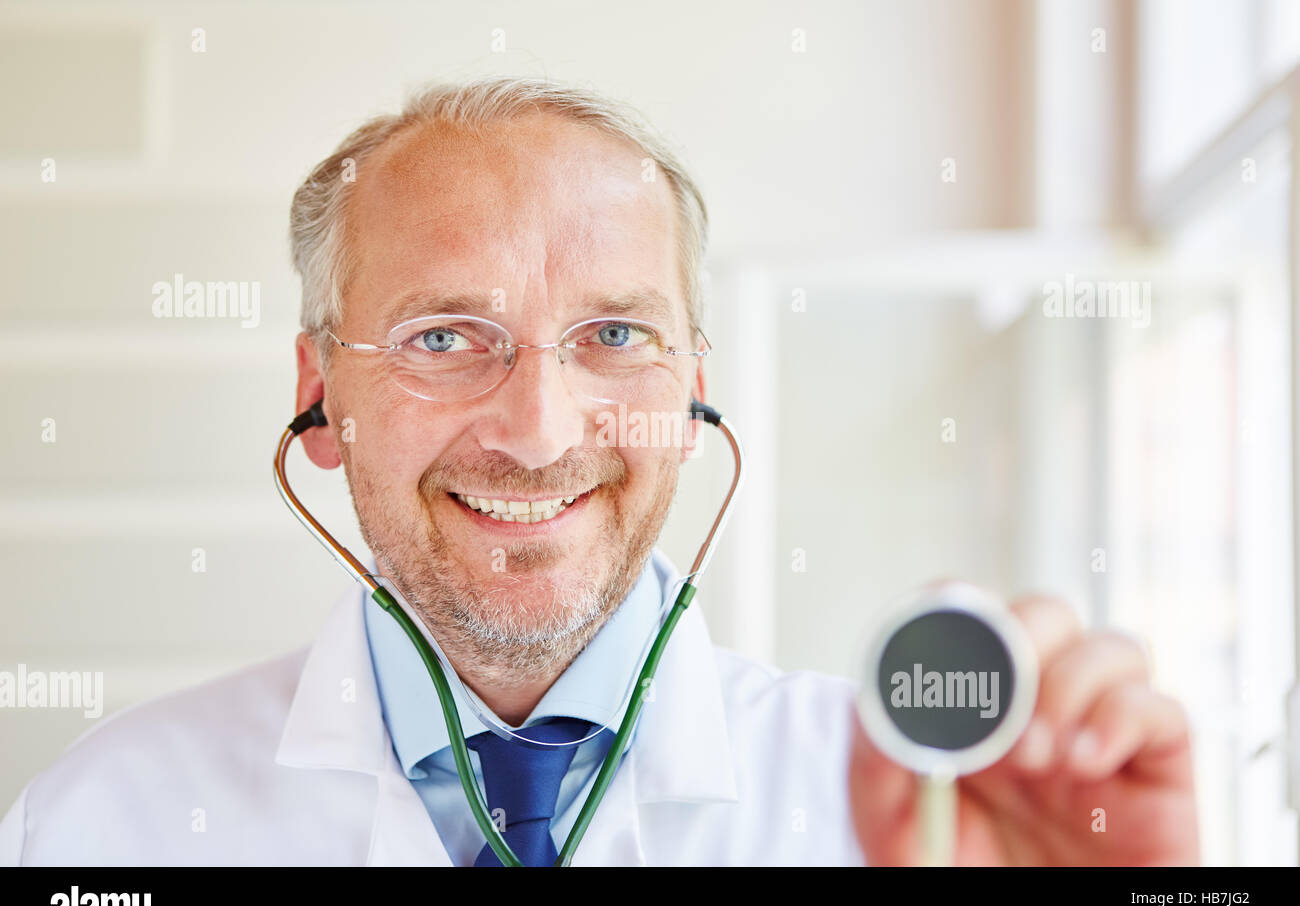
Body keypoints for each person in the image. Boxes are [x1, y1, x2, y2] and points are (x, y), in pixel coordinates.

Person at [0, 77, 1197, 866]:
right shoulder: (108, 831)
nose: (534, 429)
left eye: (614, 336)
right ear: (318, 396)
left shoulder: (924, 815)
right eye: (443, 337)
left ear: (691, 392)